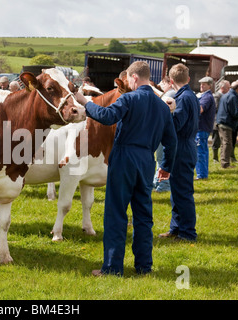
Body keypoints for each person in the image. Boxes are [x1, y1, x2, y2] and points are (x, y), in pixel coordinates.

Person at [74, 61, 177, 276]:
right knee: (143, 215)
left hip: (124, 157)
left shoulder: (129, 98)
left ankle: (112, 268)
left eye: (128, 79)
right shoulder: (162, 106)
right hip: (147, 161)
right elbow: (171, 141)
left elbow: (106, 117)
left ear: (134, 78)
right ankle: (144, 266)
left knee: (116, 213)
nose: (127, 83)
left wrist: (86, 102)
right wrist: (165, 167)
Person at [159, 63, 199, 242]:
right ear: (188, 79)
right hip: (186, 146)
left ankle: (188, 232)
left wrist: (168, 113)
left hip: (182, 147)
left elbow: (176, 125)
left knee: (183, 193)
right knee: (177, 192)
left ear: (171, 80)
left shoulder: (182, 98)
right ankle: (176, 228)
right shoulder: (190, 95)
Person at [153, 76, 176, 192]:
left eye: (163, 83)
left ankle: (163, 185)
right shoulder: (169, 94)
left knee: (162, 159)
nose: (161, 85)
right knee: (160, 158)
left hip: (164, 131)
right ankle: (157, 182)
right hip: (164, 131)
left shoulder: (169, 95)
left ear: (169, 83)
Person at [216, 80, 238, 168]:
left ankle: (223, 161)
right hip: (226, 123)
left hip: (221, 121)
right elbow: (234, 113)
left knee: (224, 143)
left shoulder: (226, 95)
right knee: (227, 143)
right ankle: (225, 164)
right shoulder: (233, 97)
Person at [195, 76, 216, 179]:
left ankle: (202, 175)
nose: (201, 86)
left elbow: (200, 109)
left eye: (204, 84)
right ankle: (203, 173)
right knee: (203, 150)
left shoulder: (207, 97)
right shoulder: (205, 96)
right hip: (203, 127)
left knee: (200, 152)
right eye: (201, 84)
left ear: (210, 85)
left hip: (201, 128)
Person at [212, 80, 231, 162]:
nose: (229, 89)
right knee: (216, 140)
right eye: (228, 87)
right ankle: (215, 158)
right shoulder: (217, 96)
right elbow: (215, 109)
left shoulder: (225, 95)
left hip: (222, 121)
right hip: (217, 121)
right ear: (223, 87)